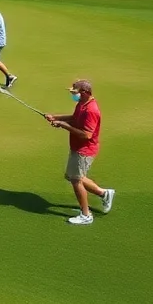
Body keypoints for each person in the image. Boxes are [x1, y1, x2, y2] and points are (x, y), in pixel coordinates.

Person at [44, 79, 114, 225]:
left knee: (76, 180)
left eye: (74, 92)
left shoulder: (91, 110)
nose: (72, 94)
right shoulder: (82, 104)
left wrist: (63, 126)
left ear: (84, 92)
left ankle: (86, 215)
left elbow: (87, 135)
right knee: (75, 177)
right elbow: (74, 118)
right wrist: (56, 117)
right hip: (77, 147)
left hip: (84, 150)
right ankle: (104, 194)